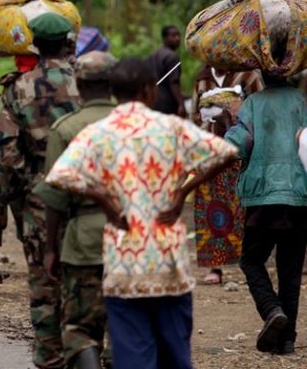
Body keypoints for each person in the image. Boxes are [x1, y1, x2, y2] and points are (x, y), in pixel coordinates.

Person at [45, 58, 238, 369]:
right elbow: (228, 152)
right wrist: (183, 192)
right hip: (168, 264)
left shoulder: (98, 132)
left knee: (134, 357)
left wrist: (106, 200)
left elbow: (59, 176)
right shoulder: (171, 128)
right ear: (149, 90)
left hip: (124, 264)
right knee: (175, 356)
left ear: (113, 91)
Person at [0, 12, 82, 369]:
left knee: (44, 286)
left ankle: (49, 358)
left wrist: (32, 186)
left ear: (34, 44)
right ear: (67, 43)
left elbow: (8, 152)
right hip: (85, 200)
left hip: (38, 203)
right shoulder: (86, 84)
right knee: (86, 283)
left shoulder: (15, 89)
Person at [33, 51, 118, 369]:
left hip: (83, 240)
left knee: (80, 327)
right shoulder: (137, 123)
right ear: (111, 84)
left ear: (79, 85)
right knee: (125, 320)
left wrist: (51, 248)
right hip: (133, 237)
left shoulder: (65, 129)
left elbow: (56, 194)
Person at [225, 71, 307, 355]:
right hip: (298, 195)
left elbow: (239, 145)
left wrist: (231, 120)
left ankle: (272, 309)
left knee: (251, 260)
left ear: (262, 73)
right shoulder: (302, 101)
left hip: (262, 196)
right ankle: (286, 340)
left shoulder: (253, 103)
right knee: (291, 270)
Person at [190, 66, 264, 284]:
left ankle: (248, 263)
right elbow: (195, 114)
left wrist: (233, 117)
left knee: (242, 207)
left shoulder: (248, 75)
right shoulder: (202, 78)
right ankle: (215, 266)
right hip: (208, 153)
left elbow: (260, 111)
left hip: (240, 154)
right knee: (210, 209)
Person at [148, 25, 186, 117]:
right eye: (173, 36)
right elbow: (173, 82)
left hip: (153, 102)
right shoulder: (172, 57)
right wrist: (181, 104)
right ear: (165, 38)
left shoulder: (152, 56)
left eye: (178, 35)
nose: (177, 39)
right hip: (168, 103)